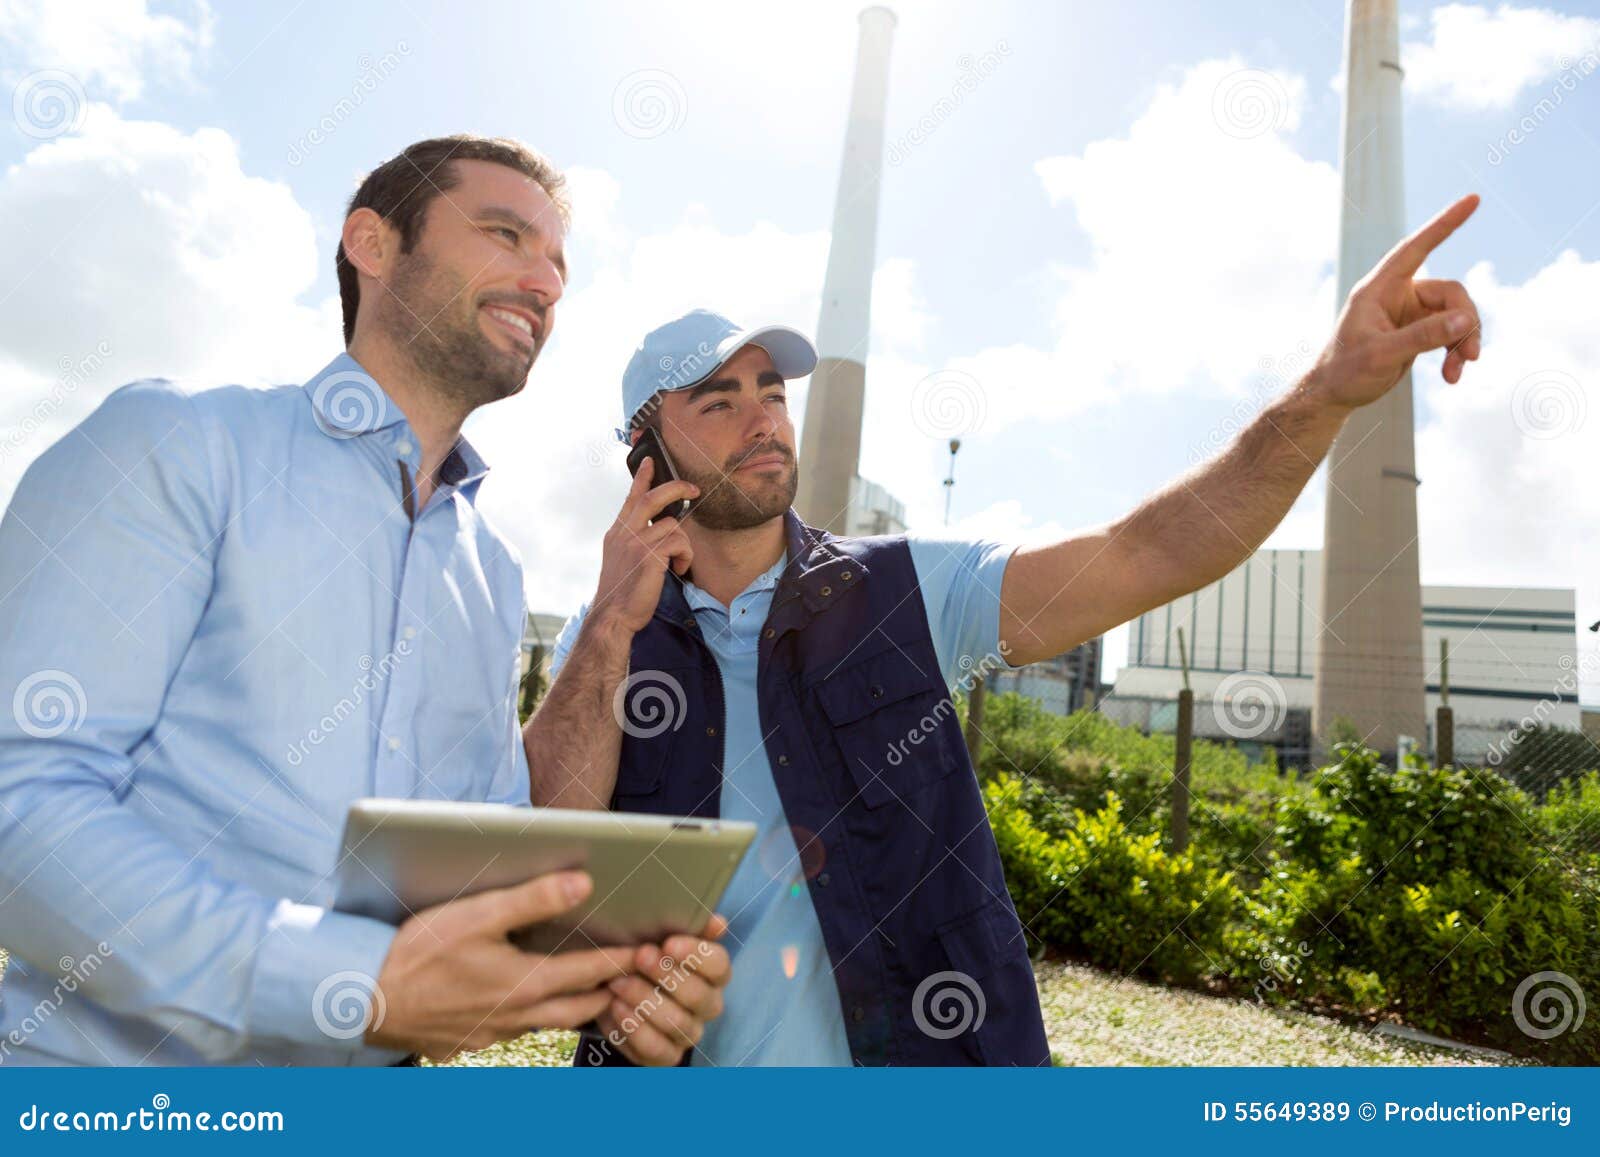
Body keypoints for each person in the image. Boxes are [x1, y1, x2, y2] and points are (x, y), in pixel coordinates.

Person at [524, 195, 1484, 1066]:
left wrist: (1325, 389)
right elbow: (543, 856)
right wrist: (613, 619)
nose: (764, 418)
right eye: (719, 401)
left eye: (771, 390)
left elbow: (1148, 552)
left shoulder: (904, 590)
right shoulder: (604, 642)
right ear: (646, 456)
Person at [0, 135, 727, 1066]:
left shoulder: (492, 572)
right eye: (506, 234)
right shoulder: (180, 445)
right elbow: (24, 801)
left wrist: (613, 973)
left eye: (557, 265)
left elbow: (479, 878)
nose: (544, 283)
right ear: (372, 245)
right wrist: (350, 983)